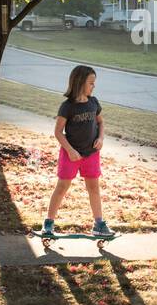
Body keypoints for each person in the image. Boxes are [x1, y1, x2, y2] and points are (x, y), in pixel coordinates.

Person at [40, 65, 112, 238]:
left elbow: (101, 123)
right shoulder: (67, 107)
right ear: (80, 83)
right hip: (71, 154)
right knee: (62, 186)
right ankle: (48, 223)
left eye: (94, 83)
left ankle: (99, 224)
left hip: (91, 154)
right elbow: (58, 132)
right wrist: (70, 150)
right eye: (91, 83)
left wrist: (101, 138)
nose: (93, 86)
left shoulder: (94, 102)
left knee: (93, 187)